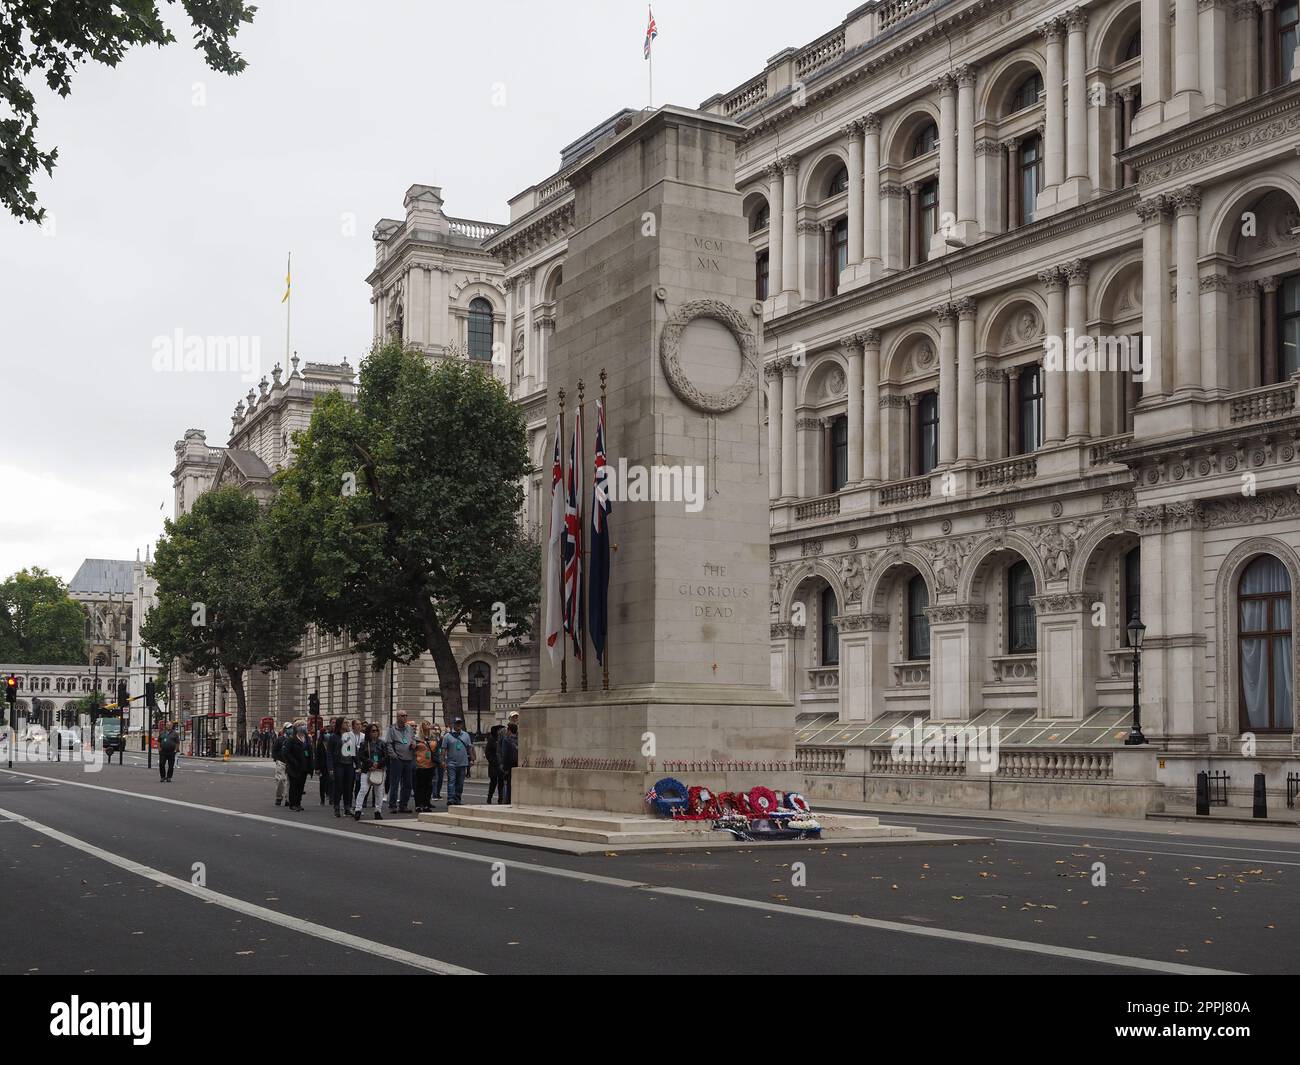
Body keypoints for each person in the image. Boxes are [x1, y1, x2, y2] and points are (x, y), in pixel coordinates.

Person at [384, 711, 416, 814]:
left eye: (406, 715)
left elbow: (412, 739)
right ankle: (392, 805)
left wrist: (413, 744)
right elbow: (388, 744)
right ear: (397, 717)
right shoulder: (392, 729)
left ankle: (403, 805)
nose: (405, 717)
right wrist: (394, 756)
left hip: (409, 758)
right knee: (395, 783)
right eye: (402, 716)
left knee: (407, 784)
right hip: (397, 760)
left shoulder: (409, 728)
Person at [439, 717, 475, 806]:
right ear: (453, 724)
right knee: (451, 781)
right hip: (451, 763)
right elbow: (443, 749)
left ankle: (457, 799)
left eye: (460, 723)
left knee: (460, 783)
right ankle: (450, 799)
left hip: (463, 763)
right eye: (457, 723)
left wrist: (472, 759)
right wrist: (443, 761)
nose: (458, 725)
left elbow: (469, 748)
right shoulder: (447, 736)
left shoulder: (466, 735)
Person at [354, 723, 386, 820]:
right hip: (367, 770)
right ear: (368, 732)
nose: (375, 733)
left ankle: (378, 811)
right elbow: (361, 756)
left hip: (379, 770)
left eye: (376, 730)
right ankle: (358, 810)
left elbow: (386, 756)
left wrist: (378, 764)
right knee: (363, 789)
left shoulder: (382, 743)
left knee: (379, 792)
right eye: (373, 731)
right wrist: (371, 764)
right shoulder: (364, 744)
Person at [284, 721, 312, 812]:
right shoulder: (292, 739)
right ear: (296, 728)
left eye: (303, 725)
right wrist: (293, 761)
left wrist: (311, 764)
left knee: (301, 786)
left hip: (304, 765)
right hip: (294, 766)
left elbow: (310, 751)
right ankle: (292, 804)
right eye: (300, 725)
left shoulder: (307, 738)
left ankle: (298, 803)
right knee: (294, 786)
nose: (303, 727)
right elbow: (286, 753)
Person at [413, 721, 436, 813]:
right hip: (420, 765)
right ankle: (418, 804)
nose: (428, 726)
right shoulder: (417, 739)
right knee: (419, 785)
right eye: (425, 724)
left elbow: (436, 749)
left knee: (429, 785)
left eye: (428, 724)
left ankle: (426, 804)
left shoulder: (433, 737)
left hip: (430, 764)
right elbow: (413, 749)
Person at [271, 722, 292, 806]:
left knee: (289, 782)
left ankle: (288, 799)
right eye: (288, 728)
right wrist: (276, 759)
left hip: (290, 763)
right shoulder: (279, 739)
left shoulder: (292, 739)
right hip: (281, 762)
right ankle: (279, 797)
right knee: (280, 780)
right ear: (285, 729)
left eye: (291, 728)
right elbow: (274, 750)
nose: (290, 730)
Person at [498, 721, 518, 805]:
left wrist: (504, 767)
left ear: (509, 731)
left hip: (509, 765)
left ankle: (507, 800)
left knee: (508, 784)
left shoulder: (506, 740)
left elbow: (505, 754)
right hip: (517, 764)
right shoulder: (518, 739)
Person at [315, 724, 333, 806]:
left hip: (330, 766)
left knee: (331, 782)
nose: (327, 734)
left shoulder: (331, 744)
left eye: (328, 733)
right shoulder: (319, 744)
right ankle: (322, 799)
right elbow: (317, 757)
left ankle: (330, 798)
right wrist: (317, 768)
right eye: (325, 733)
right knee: (322, 783)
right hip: (322, 767)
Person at [485, 725, 502, 804]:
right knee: (493, 782)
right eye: (499, 730)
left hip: (501, 764)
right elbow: (488, 753)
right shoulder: (491, 740)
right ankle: (489, 797)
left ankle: (500, 798)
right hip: (494, 765)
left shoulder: (501, 739)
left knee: (501, 782)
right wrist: (493, 761)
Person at [431, 723, 444, 800]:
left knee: (440, 778)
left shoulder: (442, 739)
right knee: (435, 778)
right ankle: (434, 794)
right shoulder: (431, 738)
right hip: (434, 760)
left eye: (438, 729)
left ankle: (438, 793)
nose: (436, 731)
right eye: (434, 729)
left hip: (441, 760)